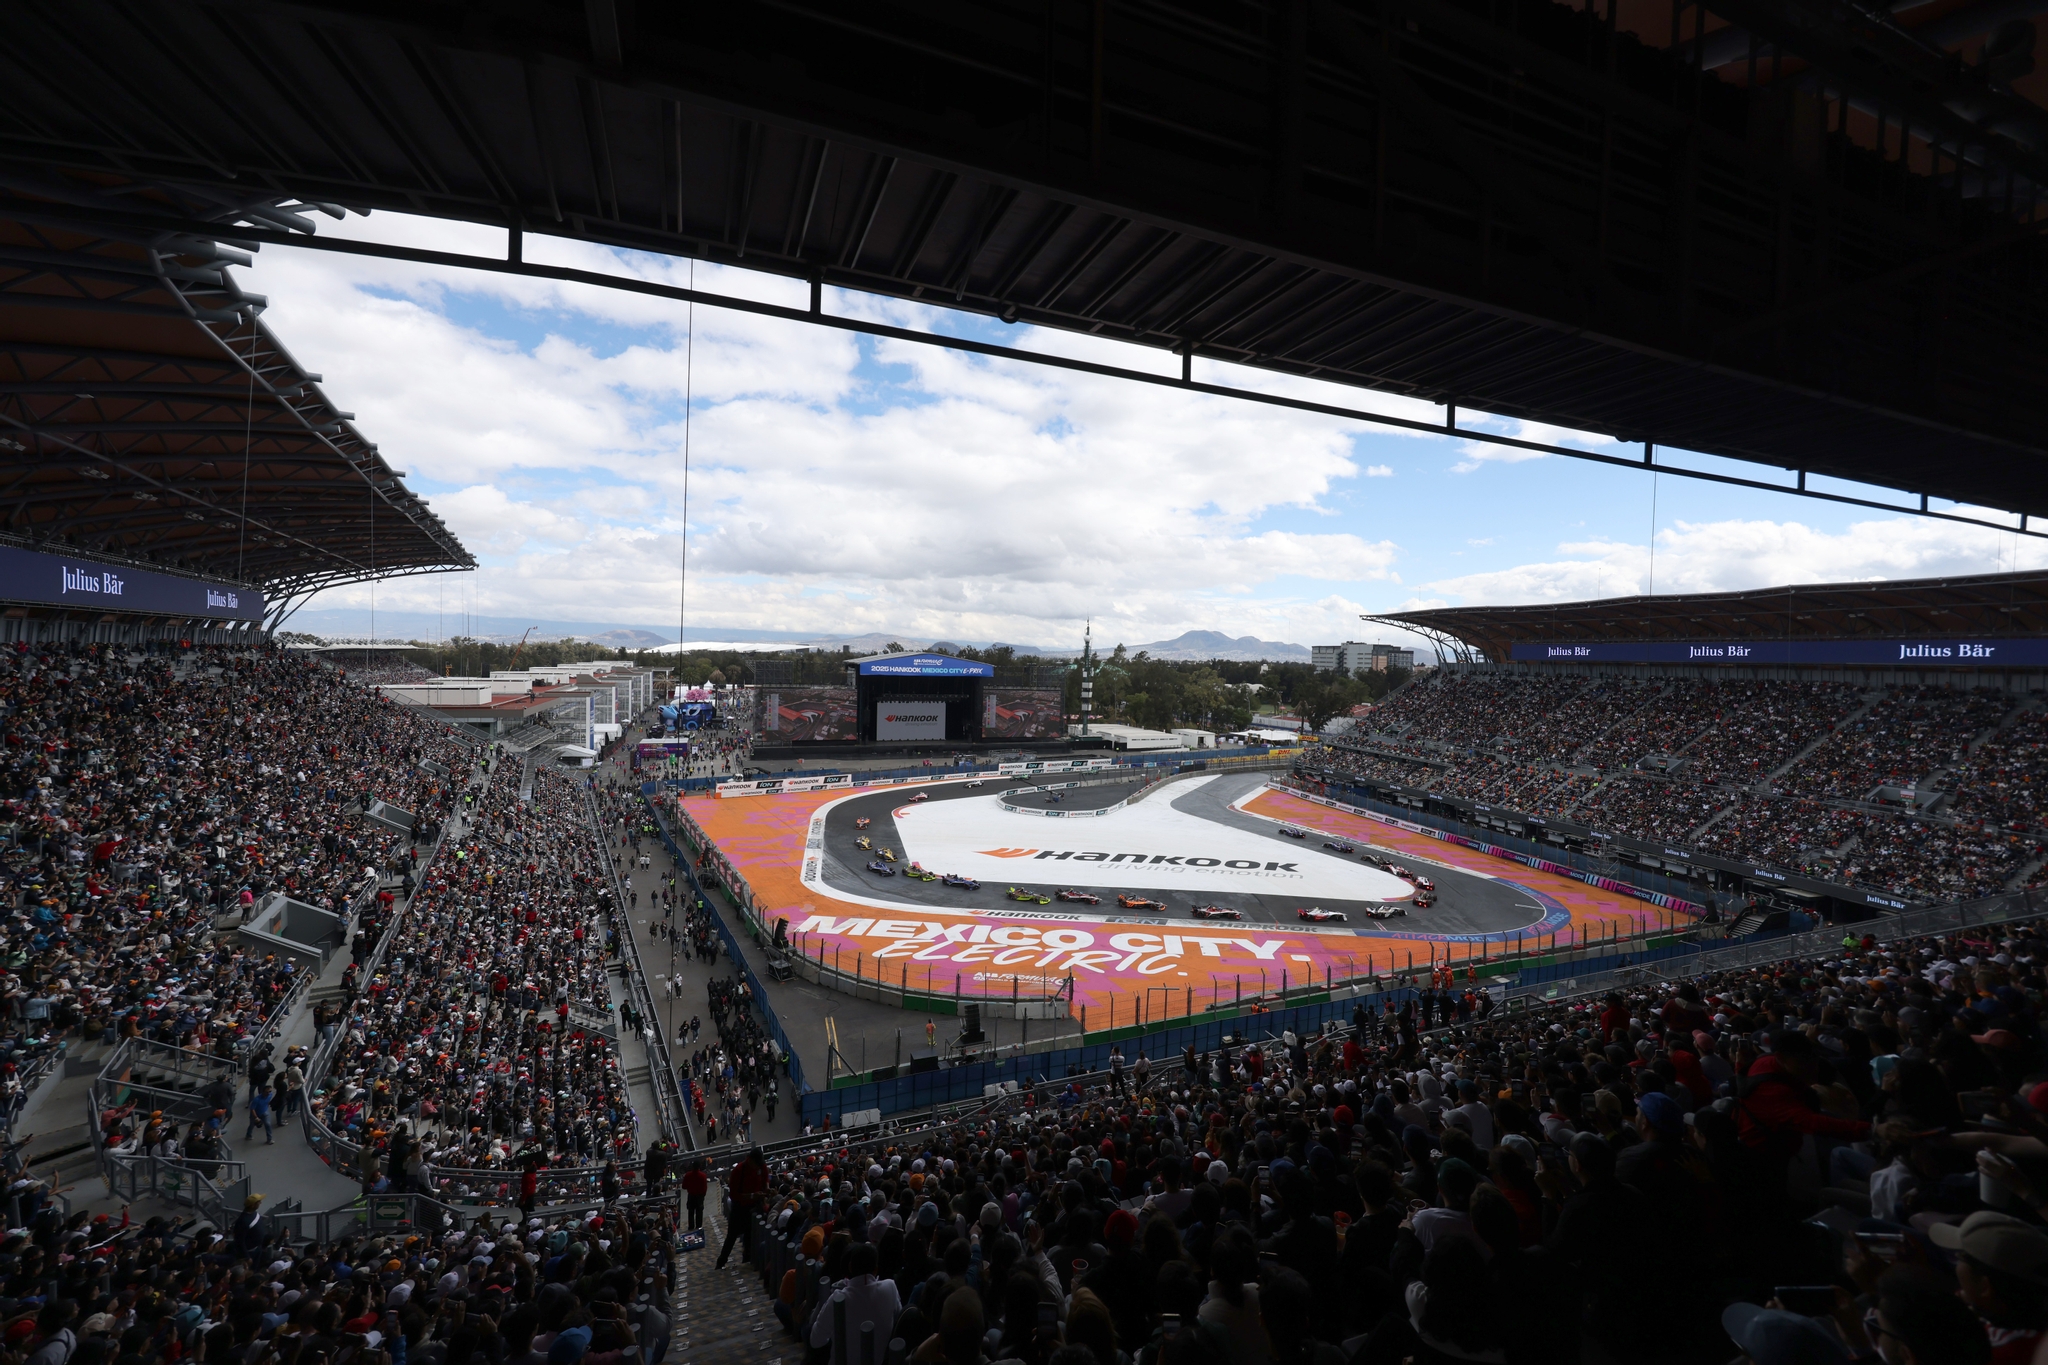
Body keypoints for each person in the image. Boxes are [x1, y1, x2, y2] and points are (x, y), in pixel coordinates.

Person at [718, 1146, 768, 1270]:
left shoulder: (761, 1166)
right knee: (732, 1236)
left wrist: (766, 1189)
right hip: (740, 1207)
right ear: (750, 1160)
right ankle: (721, 1263)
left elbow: (765, 1180)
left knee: (749, 1235)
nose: (758, 1167)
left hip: (755, 1205)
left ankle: (747, 1259)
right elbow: (734, 1194)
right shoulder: (739, 1170)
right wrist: (752, 1195)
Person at [682, 1158, 709, 1231]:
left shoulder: (688, 1175)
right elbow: (704, 1188)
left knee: (690, 1212)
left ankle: (691, 1227)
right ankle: (699, 1227)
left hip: (691, 1195)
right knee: (699, 1212)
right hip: (700, 1196)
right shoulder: (703, 1175)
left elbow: (684, 1186)